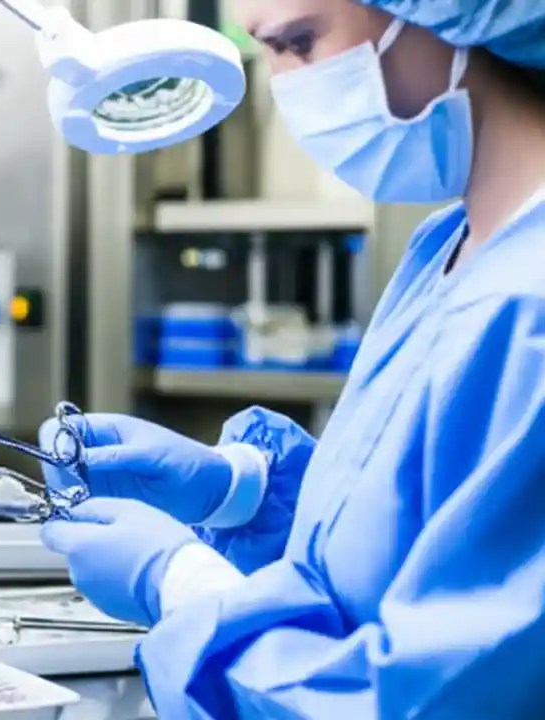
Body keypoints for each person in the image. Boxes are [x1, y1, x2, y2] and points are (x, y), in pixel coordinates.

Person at [36, 0, 545, 717]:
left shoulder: (531, 306)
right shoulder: (449, 248)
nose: (289, 90)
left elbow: (432, 698)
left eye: (299, 43)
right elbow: (402, 548)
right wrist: (241, 496)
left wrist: (179, 582)